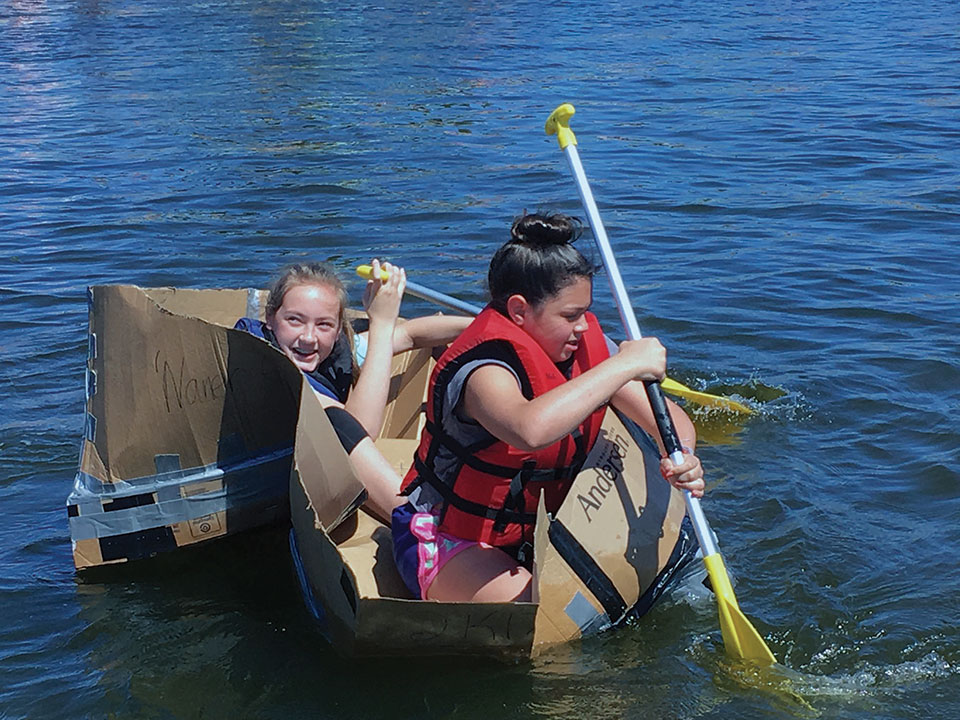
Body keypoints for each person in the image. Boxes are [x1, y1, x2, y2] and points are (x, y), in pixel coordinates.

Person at [392, 213, 706, 603]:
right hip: (446, 535)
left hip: (531, 530)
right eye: (570, 315)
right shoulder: (485, 371)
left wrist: (682, 455)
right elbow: (529, 429)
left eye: (586, 312)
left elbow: (670, 420)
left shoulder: (583, 348)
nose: (585, 328)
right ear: (520, 310)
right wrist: (624, 365)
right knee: (547, 617)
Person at [236, 259, 470, 520]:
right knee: (336, 421)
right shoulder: (262, 359)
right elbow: (357, 430)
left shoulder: (327, 350)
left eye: (324, 324)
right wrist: (381, 324)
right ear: (270, 318)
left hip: (305, 471)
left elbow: (411, 335)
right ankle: (415, 518)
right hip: (263, 485)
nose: (308, 337)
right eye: (294, 320)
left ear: (338, 330)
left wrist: (487, 324)